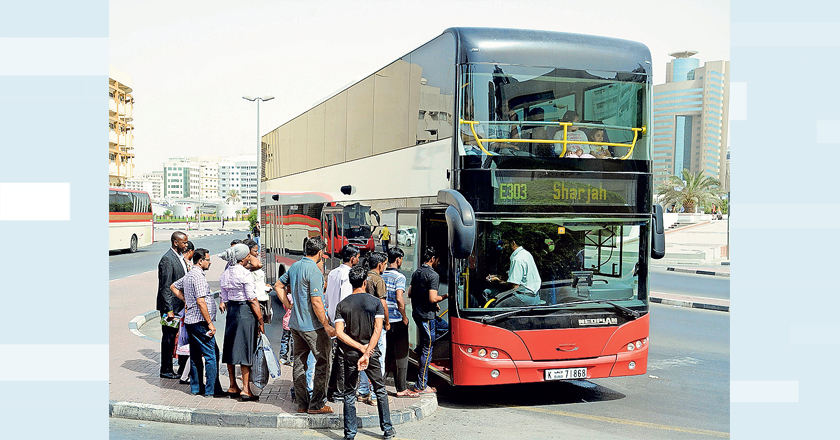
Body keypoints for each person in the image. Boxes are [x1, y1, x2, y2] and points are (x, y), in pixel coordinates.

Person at [334, 265, 396, 440]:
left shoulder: (342, 304)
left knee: (349, 392)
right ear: (364, 282)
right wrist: (367, 352)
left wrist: (360, 349)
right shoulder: (375, 302)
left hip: (351, 354)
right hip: (372, 354)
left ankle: (350, 434)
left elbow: (339, 333)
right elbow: (378, 330)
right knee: (380, 390)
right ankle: (387, 430)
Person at [274, 236, 335, 415]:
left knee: (299, 364)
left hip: (295, 325)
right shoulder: (314, 271)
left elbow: (278, 285)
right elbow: (317, 302)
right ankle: (316, 404)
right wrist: (326, 325)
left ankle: (302, 403)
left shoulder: (295, 266)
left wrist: (288, 304)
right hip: (313, 327)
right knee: (323, 362)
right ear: (320, 252)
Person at [170, 248, 226, 397]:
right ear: (200, 261)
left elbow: (173, 286)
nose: (210, 262)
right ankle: (211, 390)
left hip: (191, 322)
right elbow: (201, 301)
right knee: (211, 354)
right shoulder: (198, 277)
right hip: (200, 322)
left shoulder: (189, 275)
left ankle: (196, 388)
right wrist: (210, 323)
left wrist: (185, 300)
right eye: (208, 259)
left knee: (195, 355)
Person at [218, 243, 265, 401]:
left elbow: (224, 298)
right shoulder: (245, 274)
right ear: (244, 258)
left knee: (230, 348)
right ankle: (246, 389)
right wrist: (260, 320)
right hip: (245, 311)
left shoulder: (225, 274)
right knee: (246, 349)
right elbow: (252, 300)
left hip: (231, 311)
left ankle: (232, 385)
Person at [408, 247, 449, 394]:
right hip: (426, 317)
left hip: (418, 314)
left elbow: (411, 293)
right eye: (437, 259)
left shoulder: (416, 272)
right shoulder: (433, 275)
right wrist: (445, 297)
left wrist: (432, 303)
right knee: (428, 349)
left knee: (445, 328)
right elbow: (432, 297)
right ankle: (421, 385)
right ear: (432, 259)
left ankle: (420, 348)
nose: (438, 262)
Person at [324, 245, 360, 402]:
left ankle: (333, 388)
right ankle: (339, 391)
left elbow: (327, 299)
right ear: (352, 258)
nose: (358, 260)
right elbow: (346, 302)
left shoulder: (332, 272)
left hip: (331, 317)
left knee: (337, 355)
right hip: (342, 321)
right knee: (342, 356)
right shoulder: (347, 275)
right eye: (357, 257)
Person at [382, 248, 418, 397]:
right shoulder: (399, 277)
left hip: (383, 320)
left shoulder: (381, 274)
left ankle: (378, 385)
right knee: (401, 356)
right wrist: (404, 316)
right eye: (401, 259)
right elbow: (399, 299)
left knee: (386, 354)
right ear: (398, 259)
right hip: (396, 320)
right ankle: (401, 388)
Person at [357, 251, 389, 405]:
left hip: (363, 323)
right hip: (376, 324)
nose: (386, 266)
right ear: (379, 264)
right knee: (379, 359)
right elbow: (383, 305)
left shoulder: (364, 277)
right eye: (386, 263)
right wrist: (387, 322)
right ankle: (376, 394)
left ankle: (363, 391)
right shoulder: (378, 280)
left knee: (365, 355)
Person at [157, 231, 189, 379]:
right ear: (176, 243)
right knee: (169, 338)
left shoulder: (180, 257)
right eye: (184, 243)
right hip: (170, 308)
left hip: (179, 306)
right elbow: (166, 287)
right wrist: (169, 310)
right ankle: (166, 369)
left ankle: (173, 368)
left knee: (175, 337)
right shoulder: (167, 260)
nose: (186, 245)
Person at [486, 229, 542, 307]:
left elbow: (514, 286)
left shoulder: (517, 258)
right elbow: (519, 277)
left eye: (505, 243)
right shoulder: (526, 254)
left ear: (513, 243)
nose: (503, 247)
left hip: (523, 297)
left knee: (494, 304)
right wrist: (498, 277)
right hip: (534, 296)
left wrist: (498, 281)